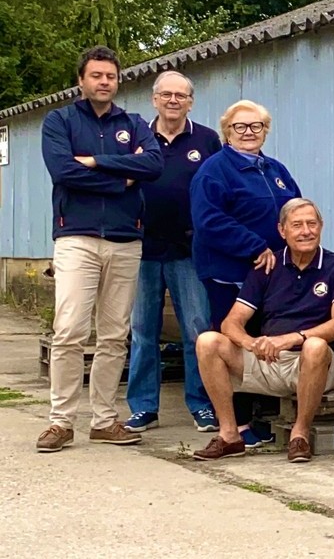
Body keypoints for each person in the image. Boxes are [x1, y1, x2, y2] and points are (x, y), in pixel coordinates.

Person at [36, 46, 164, 452]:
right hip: (77, 237)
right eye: (96, 75)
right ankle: (61, 422)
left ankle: (105, 420)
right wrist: (122, 177)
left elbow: (154, 165)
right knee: (70, 331)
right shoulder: (60, 121)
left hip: (125, 240)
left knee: (114, 335)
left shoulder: (134, 123)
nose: (104, 82)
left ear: (118, 80)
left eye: (110, 76)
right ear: (81, 80)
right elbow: (63, 170)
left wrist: (93, 161)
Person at [192, 198, 334, 463]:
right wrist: (251, 343)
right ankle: (230, 435)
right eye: (297, 225)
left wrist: (291, 339)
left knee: (315, 345)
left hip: (315, 364)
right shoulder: (269, 266)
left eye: (312, 224)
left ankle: (299, 435)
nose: (306, 231)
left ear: (321, 226)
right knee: (207, 341)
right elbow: (231, 323)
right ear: (282, 230)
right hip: (269, 361)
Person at [190, 99, 301, 448]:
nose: (249, 132)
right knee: (231, 342)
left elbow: (294, 211)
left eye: (256, 126)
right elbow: (209, 221)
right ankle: (235, 423)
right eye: (240, 126)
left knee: (262, 341)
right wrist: (255, 247)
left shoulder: (275, 170)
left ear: (265, 131)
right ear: (227, 131)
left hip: (271, 274)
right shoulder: (214, 171)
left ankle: (260, 418)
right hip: (230, 272)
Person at [123, 72, 223, 434]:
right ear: (154, 99)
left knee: (197, 329)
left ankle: (202, 404)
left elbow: (219, 188)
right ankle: (143, 407)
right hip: (143, 248)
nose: (173, 101)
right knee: (142, 332)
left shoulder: (207, 140)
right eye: (166, 94)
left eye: (181, 95)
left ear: (190, 102)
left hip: (188, 249)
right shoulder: (137, 138)